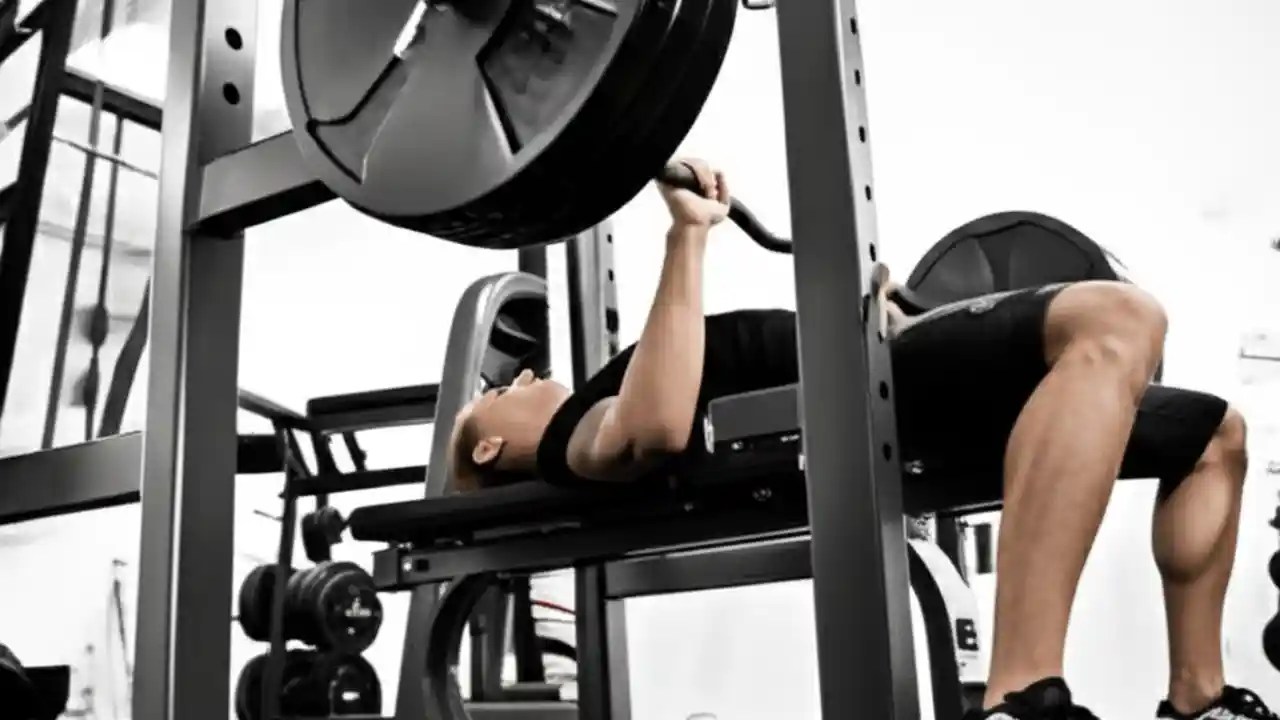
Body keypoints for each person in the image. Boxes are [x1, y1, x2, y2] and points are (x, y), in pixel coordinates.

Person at [447, 159, 1274, 720]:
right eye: (499, 395)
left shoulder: (590, 400)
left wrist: (881, 317)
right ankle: (1022, 695)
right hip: (863, 388)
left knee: (1213, 435)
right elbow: (655, 428)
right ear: (490, 451)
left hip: (879, 366)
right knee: (1119, 314)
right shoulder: (570, 437)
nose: (520, 378)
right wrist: (687, 235)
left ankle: (1196, 697)